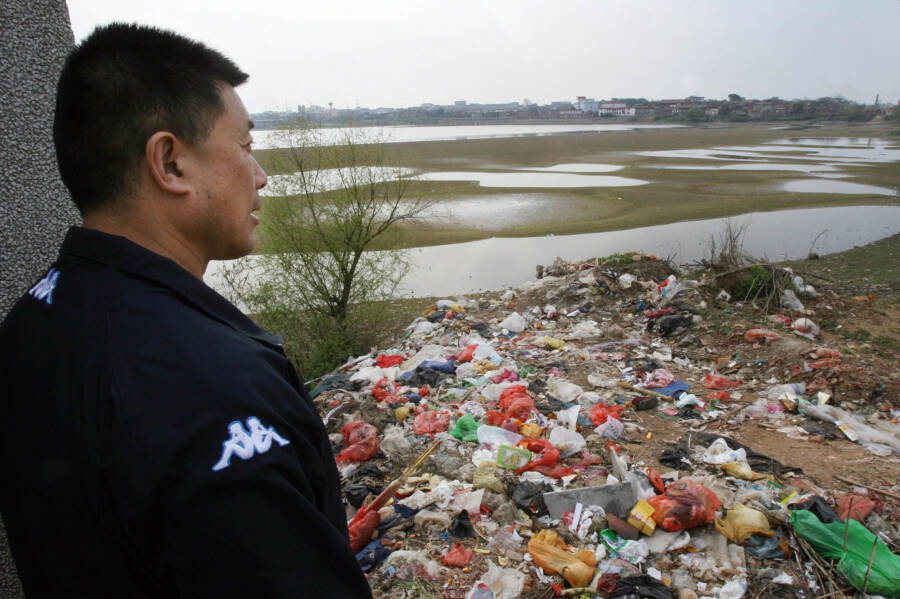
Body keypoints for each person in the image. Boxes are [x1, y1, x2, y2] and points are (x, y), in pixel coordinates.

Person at [0, 23, 372, 598]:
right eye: (245, 147)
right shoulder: (214, 385)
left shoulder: (30, 323)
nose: (261, 175)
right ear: (170, 163)